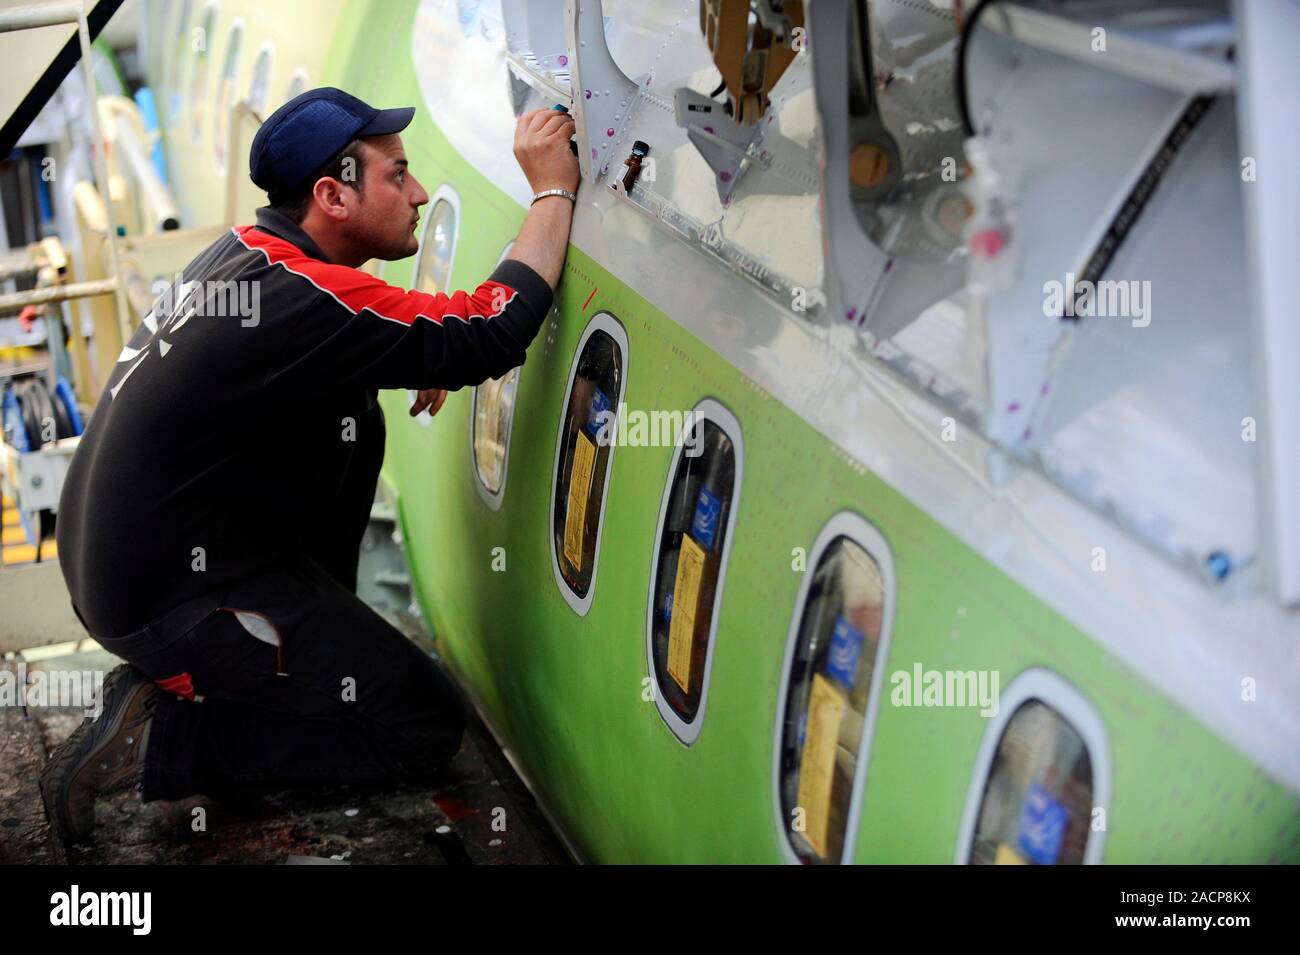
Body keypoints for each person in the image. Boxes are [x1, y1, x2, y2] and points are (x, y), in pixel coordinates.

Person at [42, 87, 579, 844]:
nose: (420, 193)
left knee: (352, 412)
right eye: (397, 175)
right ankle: (163, 741)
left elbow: (358, 340)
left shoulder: (249, 257)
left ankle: (261, 673)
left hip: (120, 567)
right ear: (333, 194)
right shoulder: (301, 297)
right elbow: (487, 332)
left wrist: (399, 351)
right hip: (167, 601)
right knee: (420, 724)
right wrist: (554, 188)